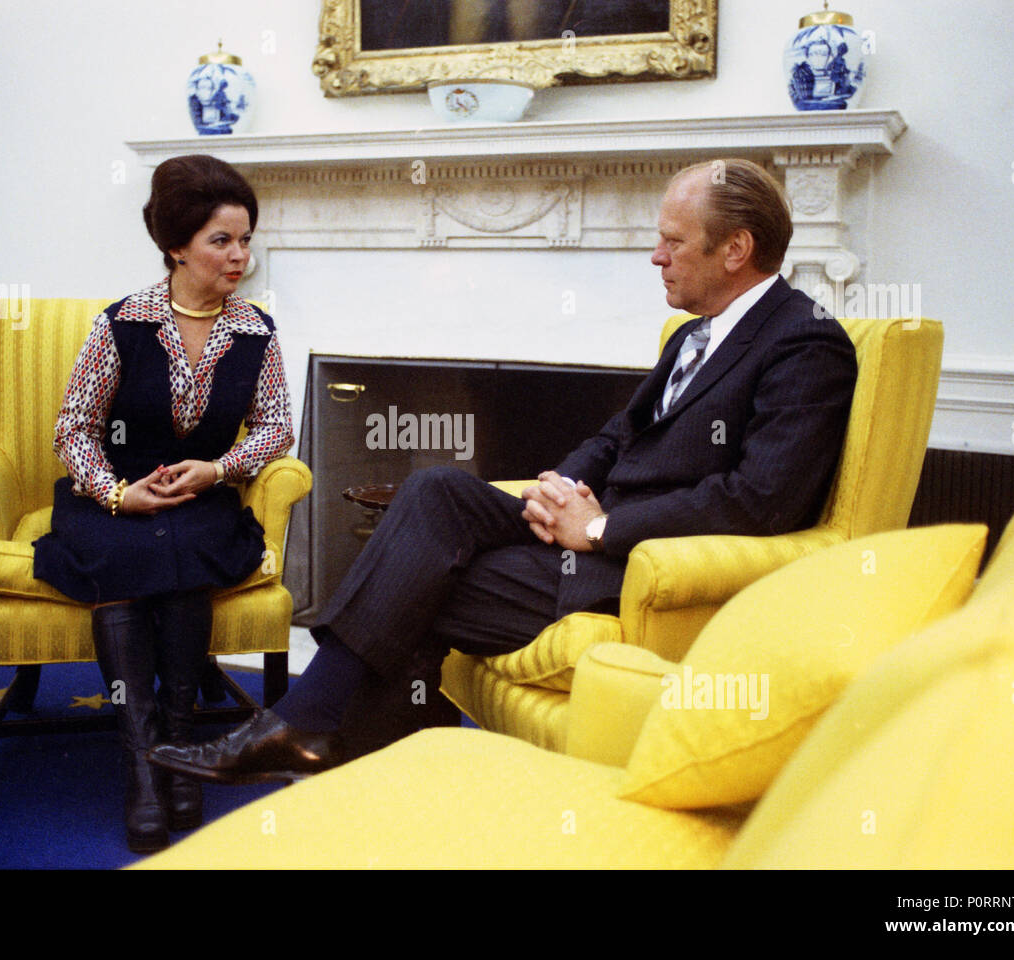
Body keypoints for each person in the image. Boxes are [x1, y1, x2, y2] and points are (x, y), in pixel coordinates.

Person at [150, 158, 857, 785]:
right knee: (434, 492)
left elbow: (762, 500)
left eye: (672, 241)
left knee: (418, 581)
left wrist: (603, 527)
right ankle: (331, 743)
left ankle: (328, 743)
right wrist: (562, 489)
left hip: (644, 570)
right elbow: (618, 436)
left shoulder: (804, 343)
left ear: (736, 248)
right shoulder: (697, 333)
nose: (655, 256)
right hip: (585, 533)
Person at [31, 155, 294, 851]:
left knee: (186, 546)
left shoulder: (256, 331)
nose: (240, 255)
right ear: (176, 245)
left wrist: (218, 469)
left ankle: (181, 751)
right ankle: (144, 764)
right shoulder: (120, 324)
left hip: (198, 493)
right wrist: (119, 492)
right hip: (113, 494)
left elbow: (276, 428)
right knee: (132, 550)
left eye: (245, 240)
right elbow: (74, 428)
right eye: (222, 241)